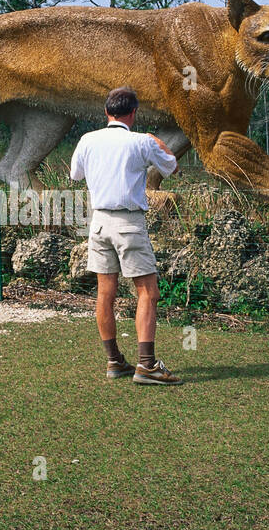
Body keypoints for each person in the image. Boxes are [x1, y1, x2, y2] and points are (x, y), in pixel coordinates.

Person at [69, 86, 184, 385]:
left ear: (107, 112)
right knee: (148, 292)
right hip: (129, 224)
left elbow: (75, 175)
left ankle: (115, 361)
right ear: (134, 113)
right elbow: (171, 166)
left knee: (105, 294)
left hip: (98, 223)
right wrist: (159, 141)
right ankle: (146, 365)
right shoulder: (142, 142)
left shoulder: (87, 140)